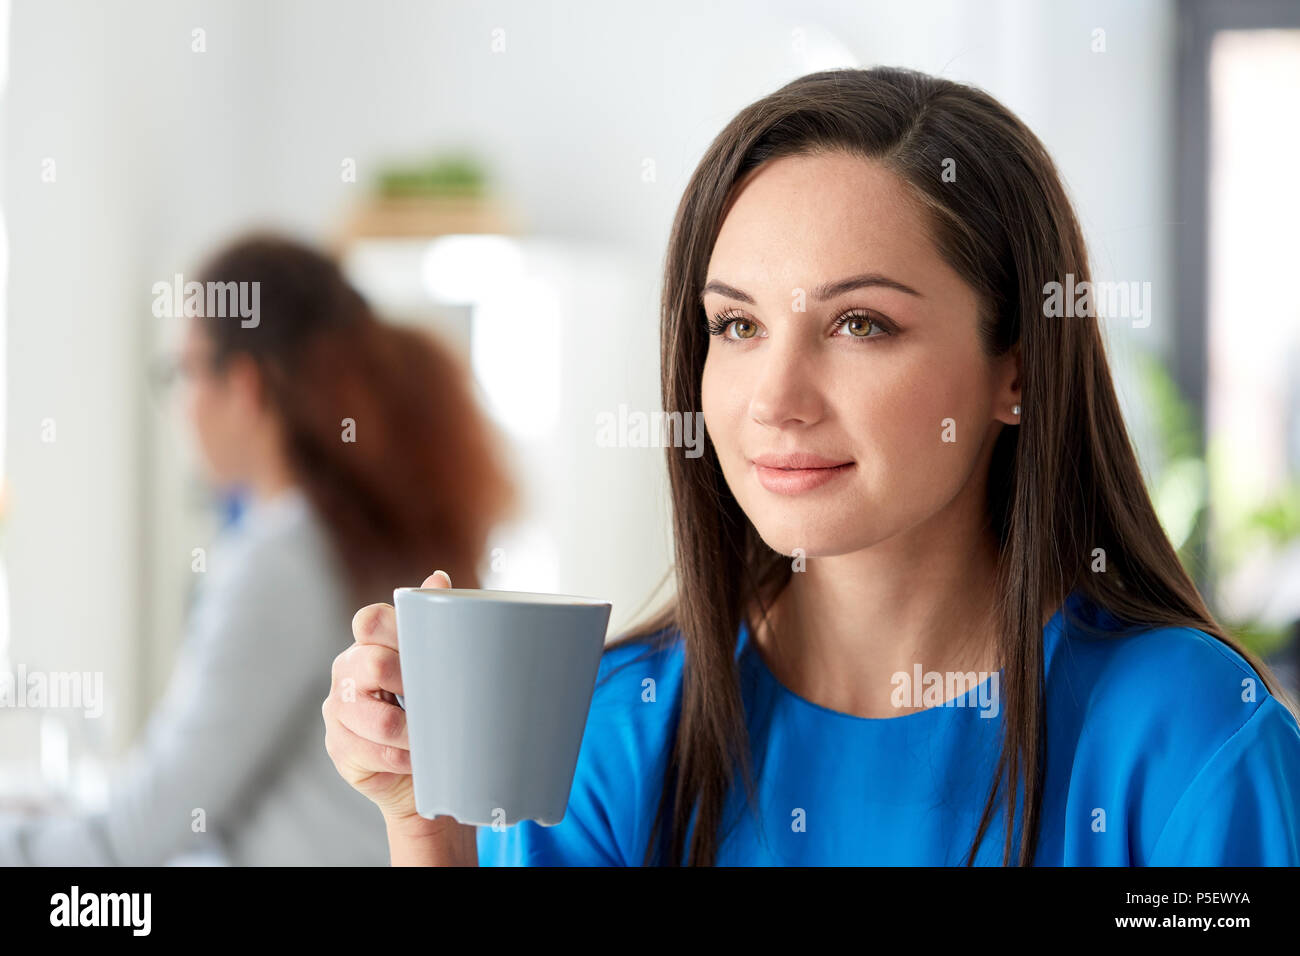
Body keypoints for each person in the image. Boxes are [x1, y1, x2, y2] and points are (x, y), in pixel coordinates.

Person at [322, 67, 1300, 866]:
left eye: (859, 323)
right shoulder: (615, 732)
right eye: (737, 324)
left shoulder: (1190, 735)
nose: (775, 398)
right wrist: (431, 836)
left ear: (1018, 369)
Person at [0, 234, 514, 865]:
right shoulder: (368, 527)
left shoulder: (282, 560)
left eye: (184, 372)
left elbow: (137, 835)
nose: (182, 406)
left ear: (243, 385)